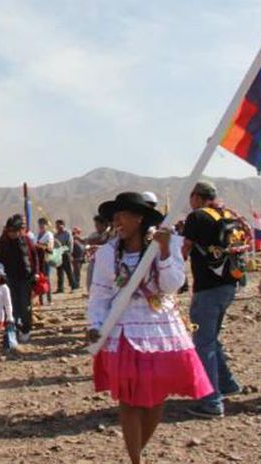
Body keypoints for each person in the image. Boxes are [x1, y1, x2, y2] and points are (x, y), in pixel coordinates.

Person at [88, 192, 211, 464]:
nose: (116, 222)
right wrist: (95, 324)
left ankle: (138, 452)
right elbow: (100, 293)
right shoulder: (107, 253)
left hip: (159, 329)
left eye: (122, 216)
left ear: (139, 218)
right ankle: (135, 459)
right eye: (114, 217)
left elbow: (172, 285)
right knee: (129, 398)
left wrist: (165, 252)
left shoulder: (165, 244)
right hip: (123, 329)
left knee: (156, 397)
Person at [182, 180, 246, 418]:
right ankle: (228, 383)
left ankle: (211, 401)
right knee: (211, 339)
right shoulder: (227, 214)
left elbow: (185, 248)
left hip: (207, 287)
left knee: (203, 343)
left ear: (196, 196)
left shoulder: (197, 216)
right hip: (230, 283)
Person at [0, 214, 37, 347]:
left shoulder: (27, 240)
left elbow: (34, 257)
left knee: (25, 305)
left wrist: (35, 273)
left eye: (14, 231)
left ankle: (26, 329)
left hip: (25, 279)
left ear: (19, 230)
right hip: (9, 278)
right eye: (10, 231)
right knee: (11, 305)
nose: (12, 234)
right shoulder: (3, 241)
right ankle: (14, 329)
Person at [35, 218, 55, 305]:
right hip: (38, 260)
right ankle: (41, 300)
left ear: (46, 225)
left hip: (45, 259)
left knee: (46, 279)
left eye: (43, 224)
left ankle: (49, 299)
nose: (41, 226)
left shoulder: (48, 235)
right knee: (39, 279)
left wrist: (40, 246)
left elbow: (49, 248)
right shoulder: (37, 235)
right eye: (40, 224)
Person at [54, 219, 77, 294]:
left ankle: (73, 287)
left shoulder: (67, 234)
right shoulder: (56, 235)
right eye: (56, 225)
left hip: (66, 254)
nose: (57, 226)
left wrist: (69, 253)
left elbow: (70, 245)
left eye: (59, 225)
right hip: (58, 255)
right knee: (59, 272)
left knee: (69, 272)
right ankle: (60, 288)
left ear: (63, 225)